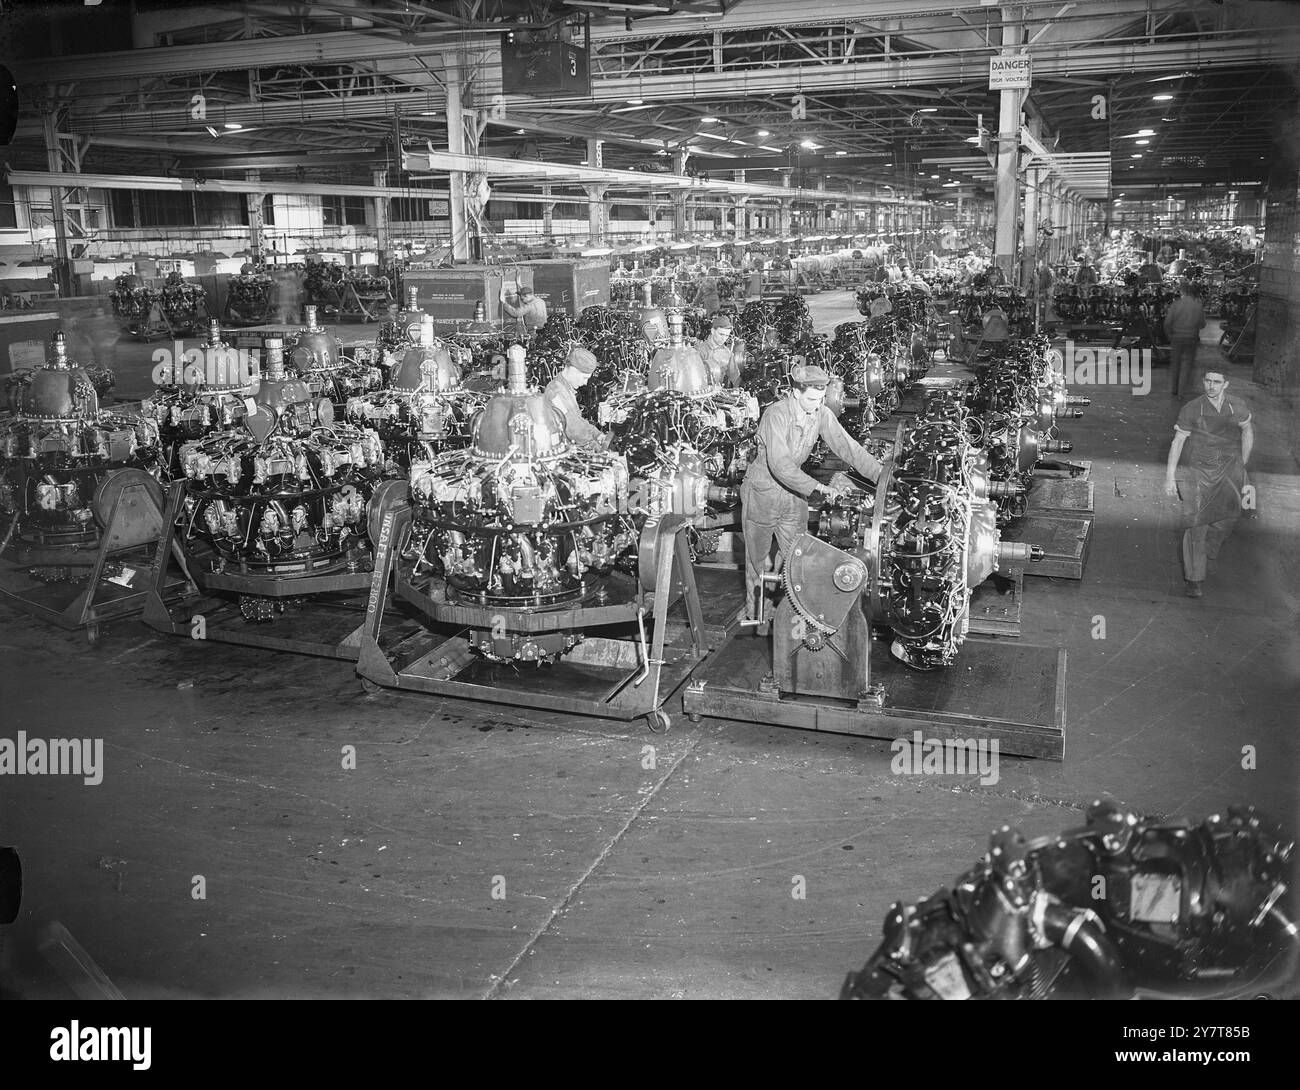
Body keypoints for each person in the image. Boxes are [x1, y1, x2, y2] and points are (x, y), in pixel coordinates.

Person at [739, 363, 884, 625]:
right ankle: (756, 615)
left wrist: (882, 477)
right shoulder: (776, 414)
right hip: (763, 491)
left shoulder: (820, 413)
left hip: (795, 492)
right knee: (757, 560)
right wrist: (819, 490)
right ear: (796, 391)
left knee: (800, 557)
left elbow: (849, 448)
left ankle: (795, 615)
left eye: (820, 399)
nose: (816, 405)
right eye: (812, 399)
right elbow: (780, 466)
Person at [1164, 370, 1252, 598]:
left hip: (1230, 465)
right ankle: (1194, 579)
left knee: (1230, 517)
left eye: (1217, 382)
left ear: (1226, 384)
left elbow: (1247, 430)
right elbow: (1178, 441)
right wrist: (1169, 476)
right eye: (1207, 381)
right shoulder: (1192, 408)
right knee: (1196, 523)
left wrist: (1244, 462)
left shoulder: (1237, 405)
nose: (1211, 386)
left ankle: (1210, 551)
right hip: (1200, 468)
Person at [543, 345, 607, 450]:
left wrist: (597, 434)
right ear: (573, 369)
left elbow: (577, 420)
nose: (585, 383)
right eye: (584, 378)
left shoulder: (565, 388)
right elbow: (573, 428)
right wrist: (595, 447)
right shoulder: (556, 392)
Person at [1164, 278, 1206, 397]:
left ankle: (1175, 389)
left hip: (1176, 338)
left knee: (1176, 363)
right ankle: (1183, 390)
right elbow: (1202, 324)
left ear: (1184, 292)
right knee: (1187, 364)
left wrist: (1169, 335)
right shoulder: (1197, 306)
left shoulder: (1176, 304)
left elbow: (1167, 323)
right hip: (1191, 338)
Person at [695, 315, 739, 386]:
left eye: (726, 335)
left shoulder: (727, 354)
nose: (724, 339)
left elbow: (735, 378)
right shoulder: (699, 351)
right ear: (712, 331)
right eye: (721, 334)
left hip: (717, 392)